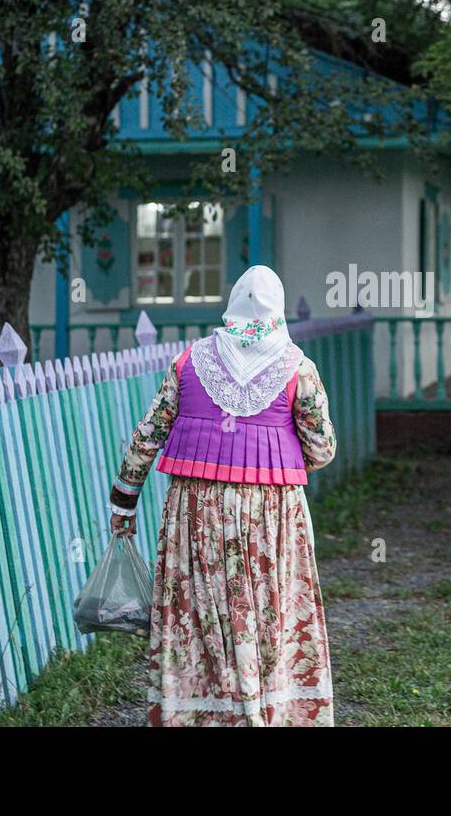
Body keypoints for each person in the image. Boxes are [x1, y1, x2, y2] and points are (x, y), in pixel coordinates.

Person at [108, 265, 336, 726]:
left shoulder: (189, 362)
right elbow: (322, 448)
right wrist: (278, 461)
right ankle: (263, 708)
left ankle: (202, 713)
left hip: (195, 510)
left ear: (231, 306)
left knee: (197, 612)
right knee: (266, 613)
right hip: (268, 514)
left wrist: (123, 503)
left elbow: (146, 437)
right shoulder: (298, 368)